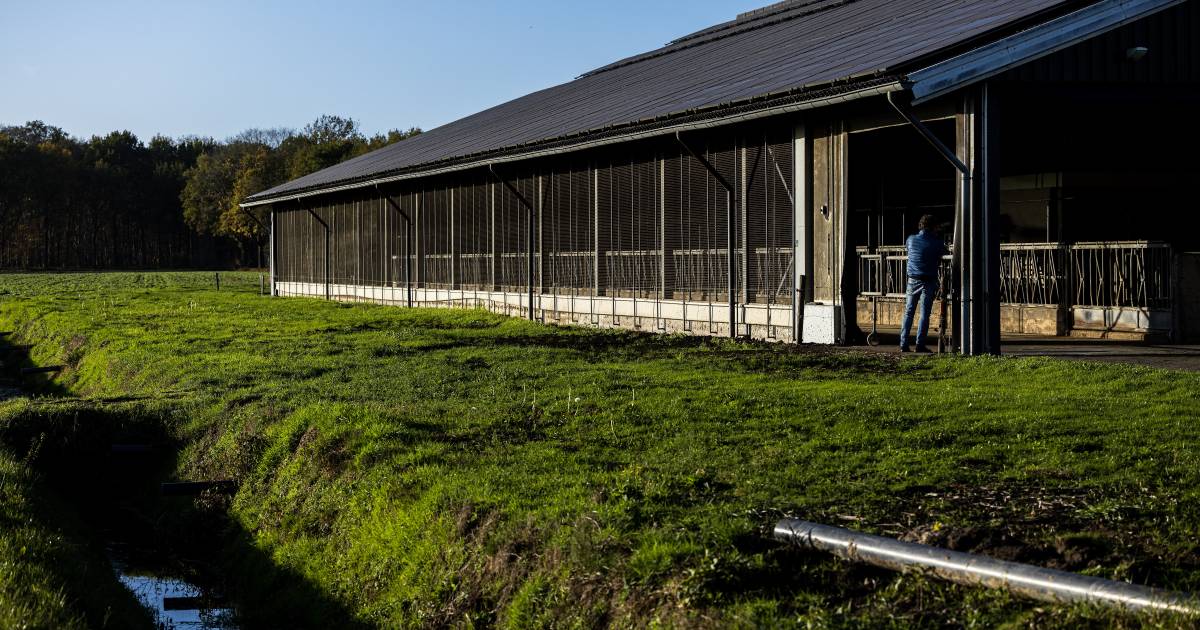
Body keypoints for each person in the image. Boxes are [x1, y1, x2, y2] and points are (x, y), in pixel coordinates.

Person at [900, 214, 945, 353]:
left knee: (909, 312)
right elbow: (943, 252)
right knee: (924, 313)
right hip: (928, 280)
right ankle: (920, 344)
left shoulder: (910, 239)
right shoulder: (937, 243)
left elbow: (908, 249)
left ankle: (903, 343)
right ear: (933, 227)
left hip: (912, 279)